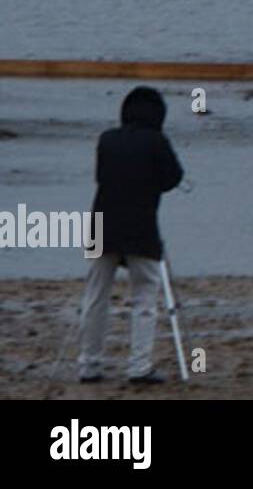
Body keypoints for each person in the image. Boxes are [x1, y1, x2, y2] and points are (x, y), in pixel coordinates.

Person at [78, 87, 185, 385]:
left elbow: (101, 177)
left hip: (102, 224)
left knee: (96, 295)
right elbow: (172, 178)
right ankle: (139, 366)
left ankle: (89, 364)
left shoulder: (107, 139)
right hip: (141, 226)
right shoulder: (157, 141)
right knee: (145, 296)